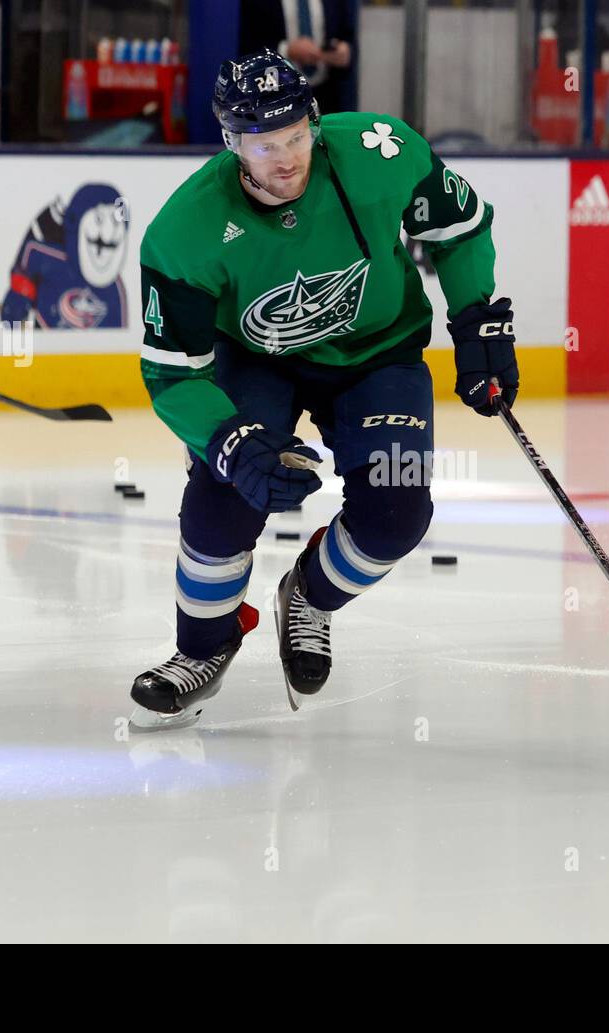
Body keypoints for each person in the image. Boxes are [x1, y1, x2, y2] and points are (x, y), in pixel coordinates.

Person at [129, 50, 518, 726]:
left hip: (377, 352)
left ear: (314, 119)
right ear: (231, 143)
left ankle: (307, 595)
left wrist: (476, 313)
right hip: (256, 359)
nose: (284, 158)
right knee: (225, 497)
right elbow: (171, 373)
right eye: (262, 144)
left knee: (396, 515)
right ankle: (202, 647)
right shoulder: (184, 233)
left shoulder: (380, 151)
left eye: (295, 136)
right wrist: (228, 439)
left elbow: (459, 229)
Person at [239, 0, 357, 114]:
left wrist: (344, 50)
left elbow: (346, 33)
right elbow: (244, 40)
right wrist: (286, 50)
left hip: (327, 96)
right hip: (274, 97)